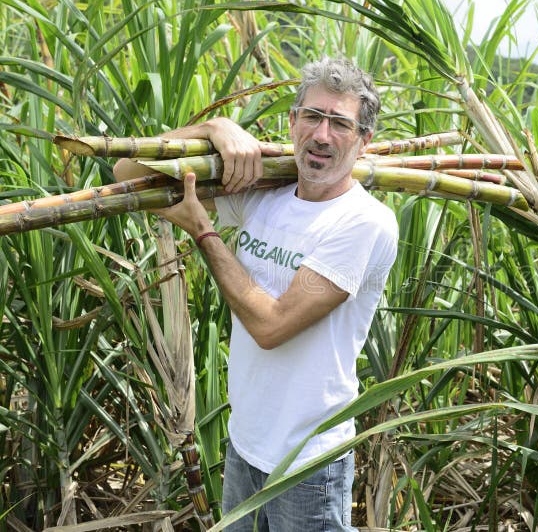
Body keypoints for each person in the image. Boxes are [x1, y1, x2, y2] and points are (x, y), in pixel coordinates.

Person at [113, 57, 399, 531]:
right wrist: (213, 127)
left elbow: (271, 326)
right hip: (245, 446)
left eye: (340, 124)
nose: (322, 135)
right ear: (293, 121)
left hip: (308, 464)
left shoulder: (364, 222)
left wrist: (204, 233)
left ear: (363, 140)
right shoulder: (264, 196)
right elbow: (126, 172)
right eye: (312, 116)